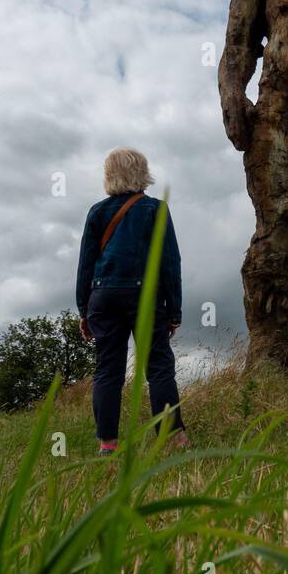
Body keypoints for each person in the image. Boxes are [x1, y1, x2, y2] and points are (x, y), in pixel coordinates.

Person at [75, 147, 188, 455]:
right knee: (159, 368)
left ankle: (108, 443)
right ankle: (172, 438)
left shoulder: (97, 212)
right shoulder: (155, 209)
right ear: (143, 173)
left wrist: (84, 310)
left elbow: (86, 264)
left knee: (108, 370)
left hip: (103, 295)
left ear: (109, 175)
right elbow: (169, 263)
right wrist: (174, 312)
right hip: (145, 295)